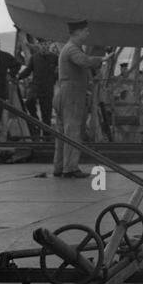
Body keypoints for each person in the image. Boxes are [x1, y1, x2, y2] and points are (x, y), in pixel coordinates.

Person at [52, 20, 104, 177]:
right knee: (73, 130)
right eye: (85, 31)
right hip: (72, 94)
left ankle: (59, 166)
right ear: (78, 32)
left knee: (62, 131)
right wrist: (102, 59)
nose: (88, 34)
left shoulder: (69, 48)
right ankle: (70, 168)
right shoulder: (73, 49)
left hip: (63, 92)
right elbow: (84, 61)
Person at [17, 40, 58, 138]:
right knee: (29, 102)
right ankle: (35, 119)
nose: (45, 46)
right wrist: (17, 77)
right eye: (43, 44)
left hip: (48, 88)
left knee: (46, 113)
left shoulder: (54, 58)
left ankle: (46, 137)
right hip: (35, 86)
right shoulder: (34, 57)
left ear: (49, 45)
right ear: (39, 46)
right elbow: (28, 70)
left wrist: (54, 78)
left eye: (46, 44)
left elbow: (60, 70)